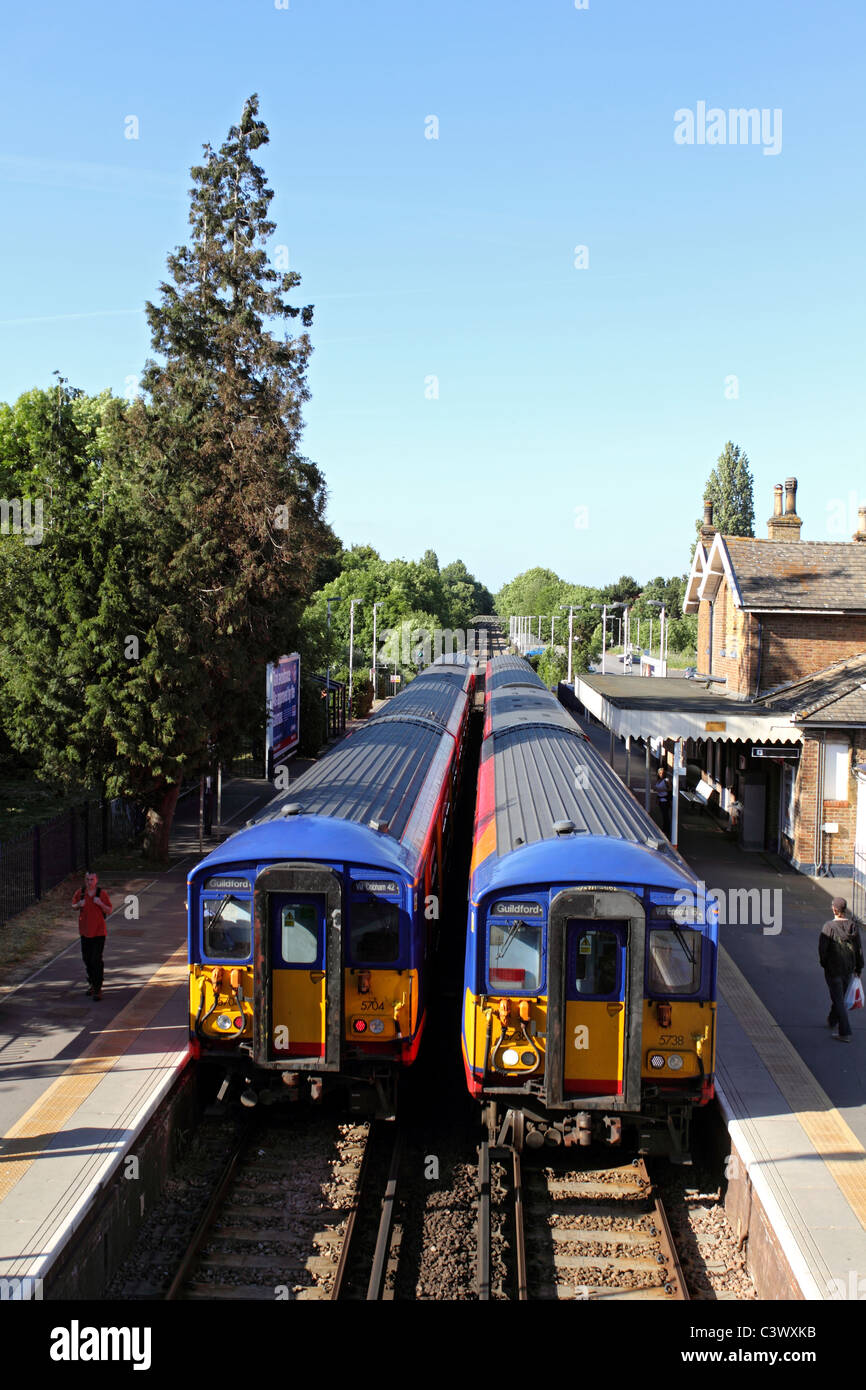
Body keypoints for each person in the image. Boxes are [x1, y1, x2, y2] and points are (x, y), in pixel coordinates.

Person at [819, 896, 863, 1043]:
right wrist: (859, 967)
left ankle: (844, 1032)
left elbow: (822, 950)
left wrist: (825, 964)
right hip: (848, 969)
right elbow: (858, 949)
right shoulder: (853, 926)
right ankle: (832, 1019)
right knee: (839, 996)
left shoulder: (828, 927)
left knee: (838, 999)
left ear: (834, 909)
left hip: (833, 969)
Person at [72, 871, 113, 1001]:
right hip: (85, 932)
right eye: (88, 879)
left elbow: (109, 910)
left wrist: (100, 903)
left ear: (96, 880)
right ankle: (91, 983)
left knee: (96, 960)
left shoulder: (101, 893)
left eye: (92, 880)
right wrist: (79, 904)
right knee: (87, 959)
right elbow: (73, 905)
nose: (90, 882)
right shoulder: (81, 892)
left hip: (99, 932)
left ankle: (97, 987)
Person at [654, 765, 672, 838]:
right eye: (660, 773)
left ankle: (667, 830)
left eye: (663, 773)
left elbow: (670, 789)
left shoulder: (666, 780)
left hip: (665, 800)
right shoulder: (658, 780)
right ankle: (664, 828)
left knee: (666, 815)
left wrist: (662, 790)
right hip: (660, 799)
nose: (661, 774)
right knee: (663, 815)